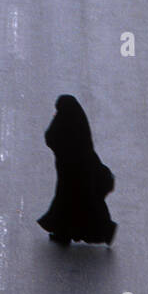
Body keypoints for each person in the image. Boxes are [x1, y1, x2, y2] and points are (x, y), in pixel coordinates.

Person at [37, 95, 116, 246]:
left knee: (70, 202)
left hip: (71, 173)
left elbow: (50, 137)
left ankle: (68, 233)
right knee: (76, 202)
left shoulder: (63, 123)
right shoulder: (78, 123)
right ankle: (64, 233)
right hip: (76, 171)